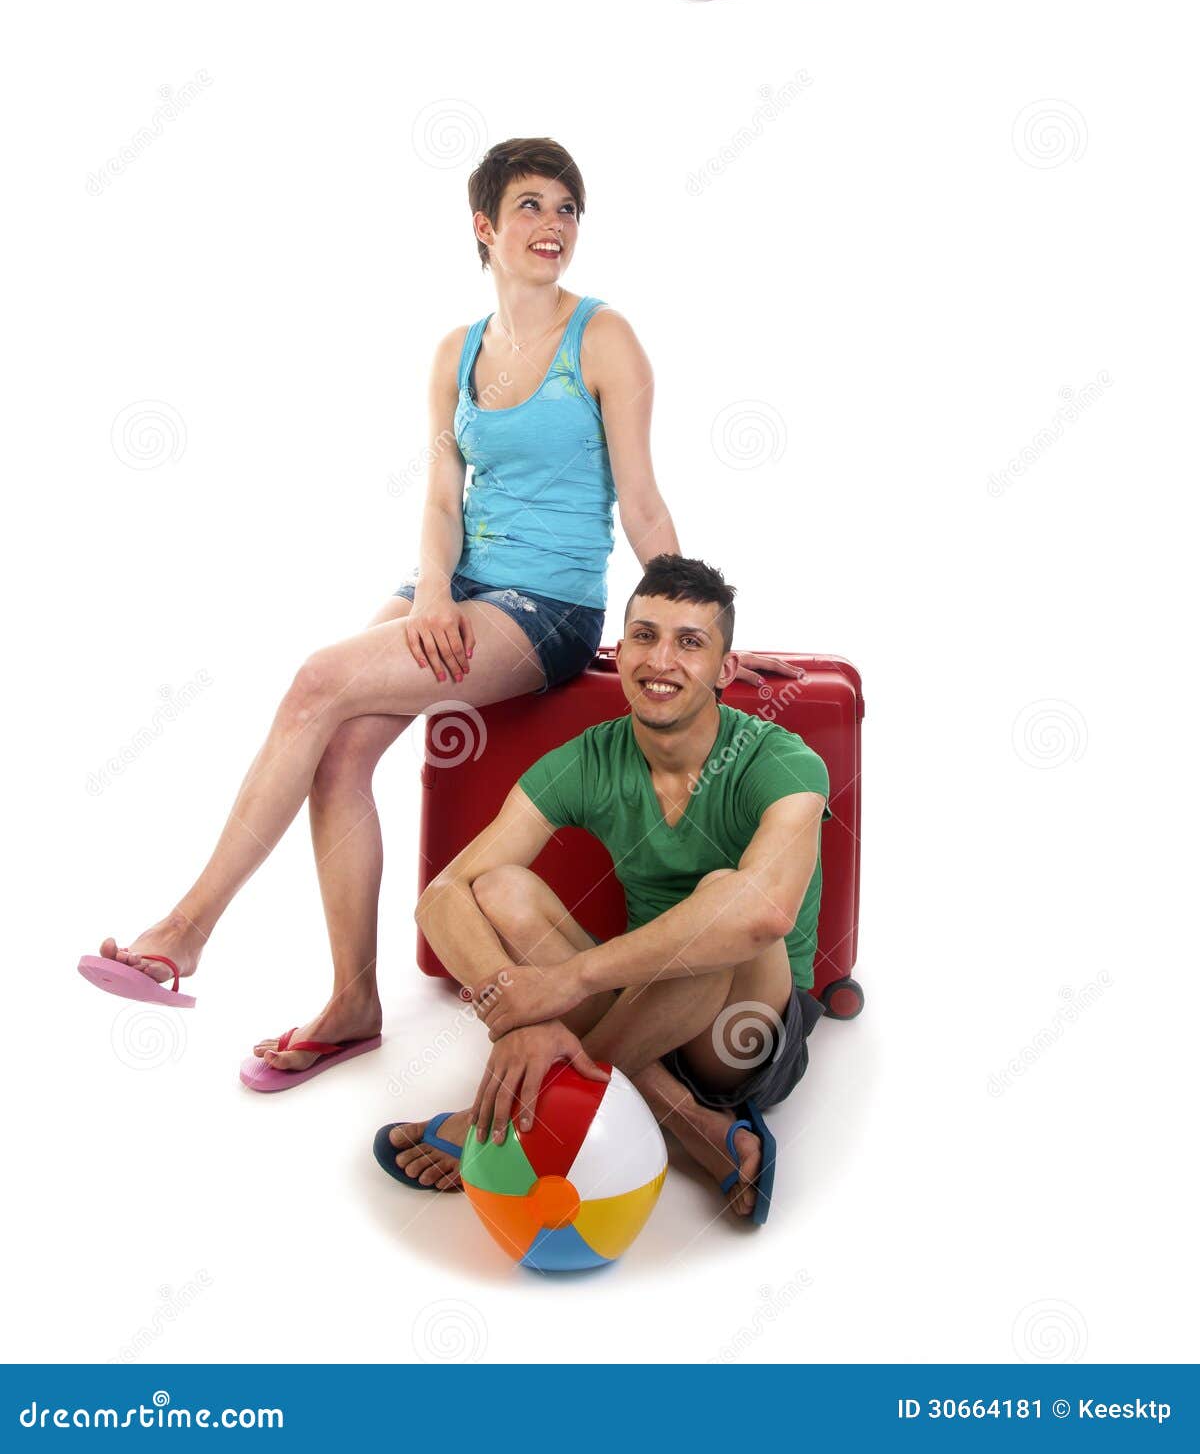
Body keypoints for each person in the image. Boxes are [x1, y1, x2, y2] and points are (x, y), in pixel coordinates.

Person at [81, 138, 794, 1079]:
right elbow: (439, 499)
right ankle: (352, 1003)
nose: (553, 225)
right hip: (449, 585)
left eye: (569, 208)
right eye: (531, 205)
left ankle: (183, 931)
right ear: (484, 227)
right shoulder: (455, 352)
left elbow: (642, 499)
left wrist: (705, 637)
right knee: (337, 741)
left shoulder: (604, 339)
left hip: (545, 605)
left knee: (312, 680)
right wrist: (426, 594)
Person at [377, 554, 829, 1222]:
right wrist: (517, 1018)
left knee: (722, 899)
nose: (661, 660)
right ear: (620, 653)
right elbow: (442, 895)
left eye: (690, 642)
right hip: (637, 1005)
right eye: (644, 636)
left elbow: (763, 916)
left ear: (724, 670)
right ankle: (686, 1121)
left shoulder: (782, 760)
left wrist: (569, 983)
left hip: (743, 1030)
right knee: (499, 886)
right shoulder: (592, 757)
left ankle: (517, 1101)